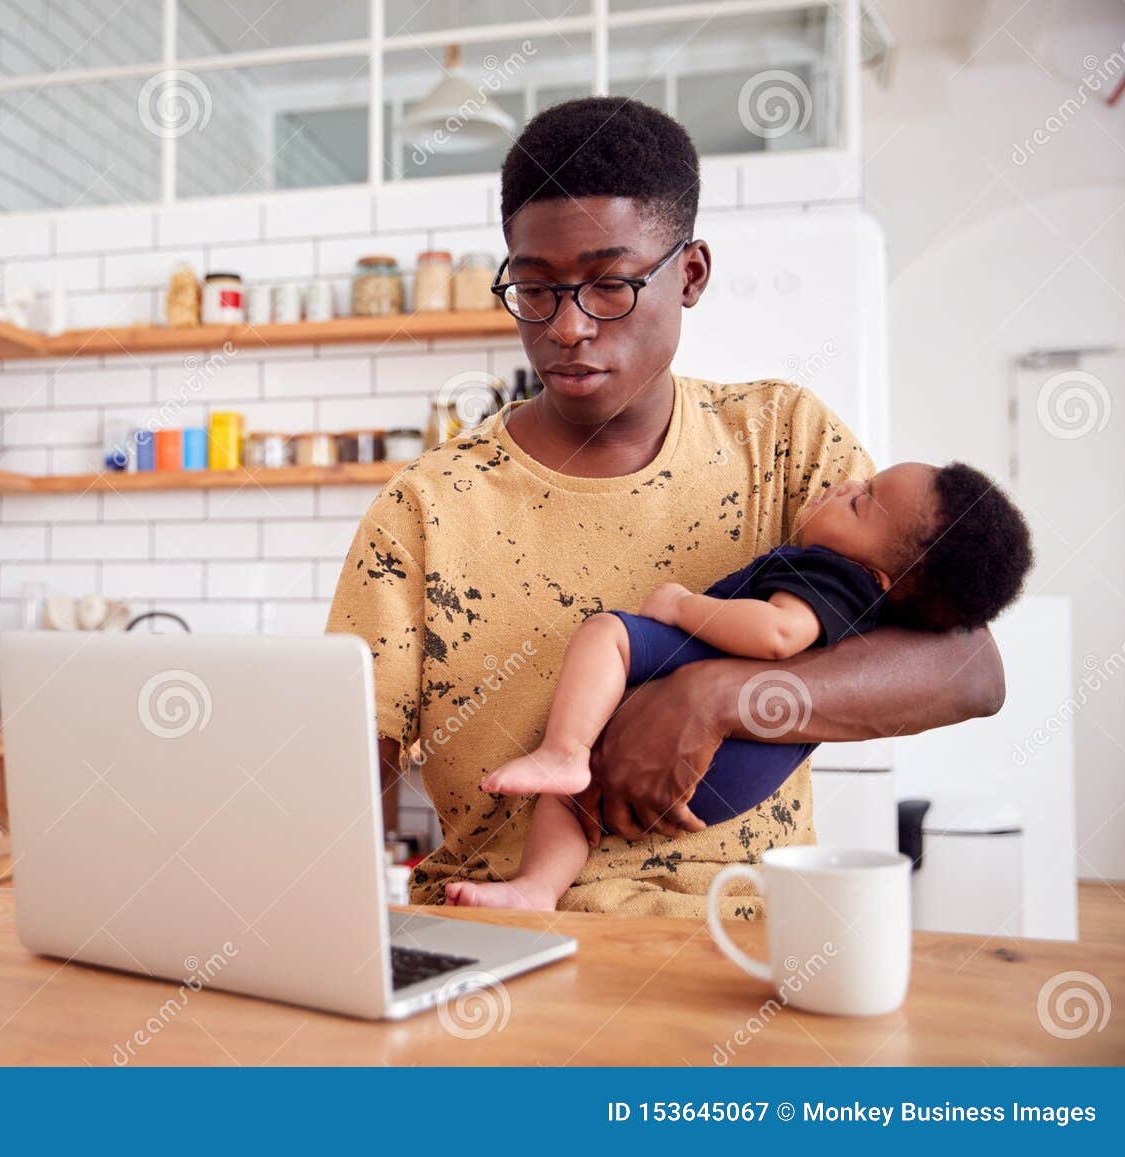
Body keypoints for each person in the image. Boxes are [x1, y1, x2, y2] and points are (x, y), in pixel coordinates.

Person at [325, 97, 1009, 918]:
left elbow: (971, 669)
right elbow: (338, 785)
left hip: (744, 949)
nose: (568, 327)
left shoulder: (785, 442)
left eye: (610, 284)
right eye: (535, 289)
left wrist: (717, 696)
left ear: (689, 275)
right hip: (495, 940)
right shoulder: (425, 510)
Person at [445, 460, 1032, 909]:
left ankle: (562, 751)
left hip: (725, 746)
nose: (845, 484)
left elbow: (778, 633)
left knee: (607, 635)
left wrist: (681, 609)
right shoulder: (872, 579)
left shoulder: (833, 574)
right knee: (576, 803)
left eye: (860, 502)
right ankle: (537, 890)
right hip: (740, 777)